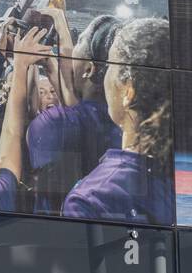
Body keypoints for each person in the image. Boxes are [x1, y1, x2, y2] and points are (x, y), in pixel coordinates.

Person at [60, 18, 174, 225]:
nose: (105, 78)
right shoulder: (179, 174)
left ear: (128, 92)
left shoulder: (92, 200)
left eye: (110, 67)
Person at [25, 14, 124, 216]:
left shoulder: (54, 124)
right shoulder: (127, 125)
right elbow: (80, 109)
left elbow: (13, 136)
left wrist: (21, 67)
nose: (72, 50)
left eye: (79, 41)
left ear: (89, 69)